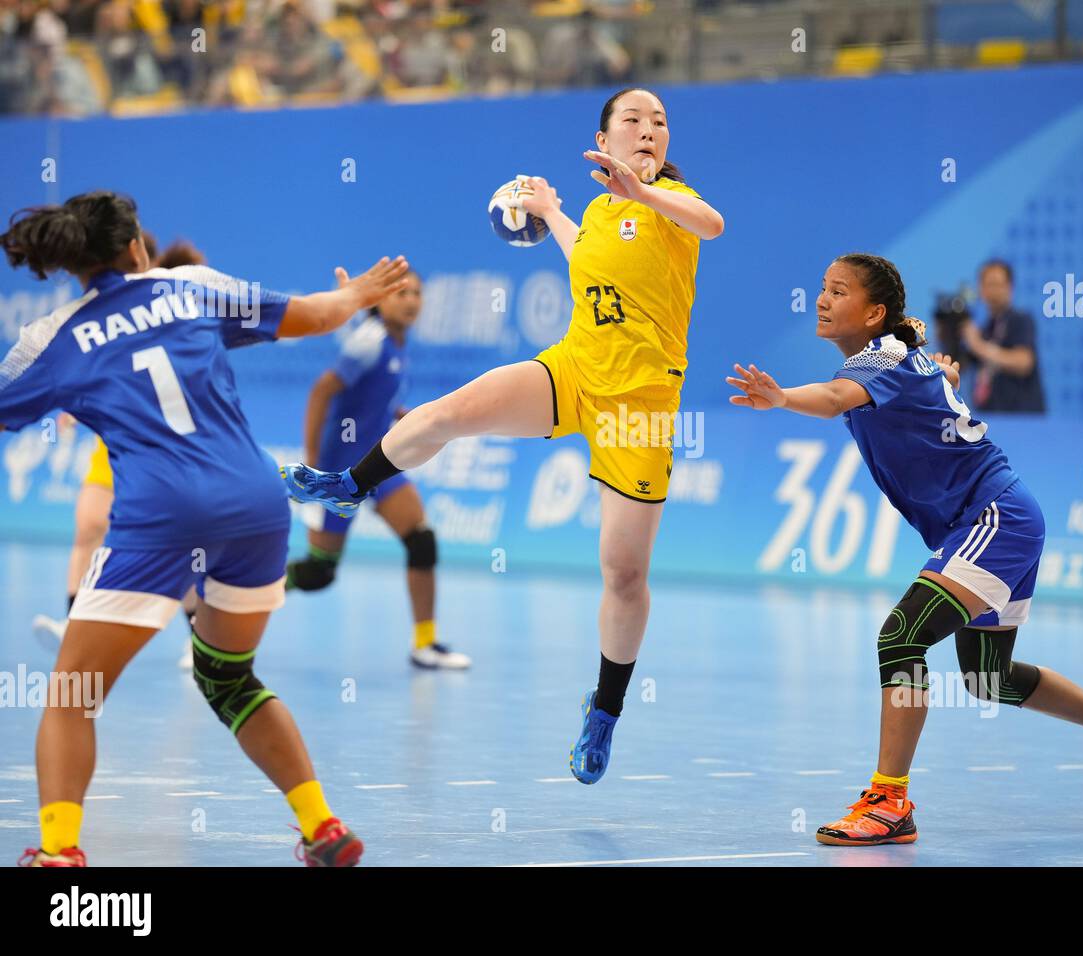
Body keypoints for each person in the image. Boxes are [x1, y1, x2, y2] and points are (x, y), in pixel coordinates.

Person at [280, 86, 724, 784]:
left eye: (660, 121)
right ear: (602, 139)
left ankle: (603, 711)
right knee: (450, 412)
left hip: (639, 404)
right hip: (574, 368)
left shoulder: (671, 200)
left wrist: (647, 191)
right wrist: (552, 214)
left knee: (624, 573)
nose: (649, 130)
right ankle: (347, 486)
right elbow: (594, 263)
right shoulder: (607, 209)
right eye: (633, 120)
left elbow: (713, 224)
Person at [1, 190, 409, 866]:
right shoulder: (189, 287)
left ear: (75, 262)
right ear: (137, 246)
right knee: (229, 678)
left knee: (72, 693)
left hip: (160, 516)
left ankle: (59, 853)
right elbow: (311, 315)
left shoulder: (53, 338)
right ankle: (322, 827)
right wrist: (360, 293)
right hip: (254, 508)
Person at [726, 252, 1083, 846]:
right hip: (995, 519)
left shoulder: (879, 358)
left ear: (875, 312)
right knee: (989, 678)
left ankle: (889, 800)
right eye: (822, 288)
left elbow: (834, 400)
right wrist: (944, 379)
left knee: (900, 637)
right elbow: (921, 389)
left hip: (994, 518)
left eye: (838, 291)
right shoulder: (893, 360)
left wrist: (778, 397)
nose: (822, 300)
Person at [32, 236, 209, 669]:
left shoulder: (172, 318)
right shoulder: (95, 321)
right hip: (111, 450)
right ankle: (74, 625)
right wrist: (72, 408)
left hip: (163, 456)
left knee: (180, 551)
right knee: (89, 526)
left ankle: (200, 642)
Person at [285, 273, 470, 669]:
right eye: (402, 293)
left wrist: (400, 417)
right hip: (336, 473)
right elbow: (322, 391)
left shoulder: (399, 346)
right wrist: (313, 460)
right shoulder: (368, 341)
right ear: (381, 301)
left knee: (422, 541)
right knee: (318, 572)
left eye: (417, 293)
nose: (412, 301)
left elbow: (372, 404)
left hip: (378, 467)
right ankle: (230, 598)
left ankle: (425, 643)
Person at [960, 259, 1046, 413]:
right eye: (988, 284)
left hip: (1022, 418)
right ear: (981, 289)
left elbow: (1024, 362)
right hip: (992, 417)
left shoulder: (1020, 320)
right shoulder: (985, 328)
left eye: (998, 284)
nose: (993, 291)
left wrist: (978, 346)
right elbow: (963, 366)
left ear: (1010, 287)